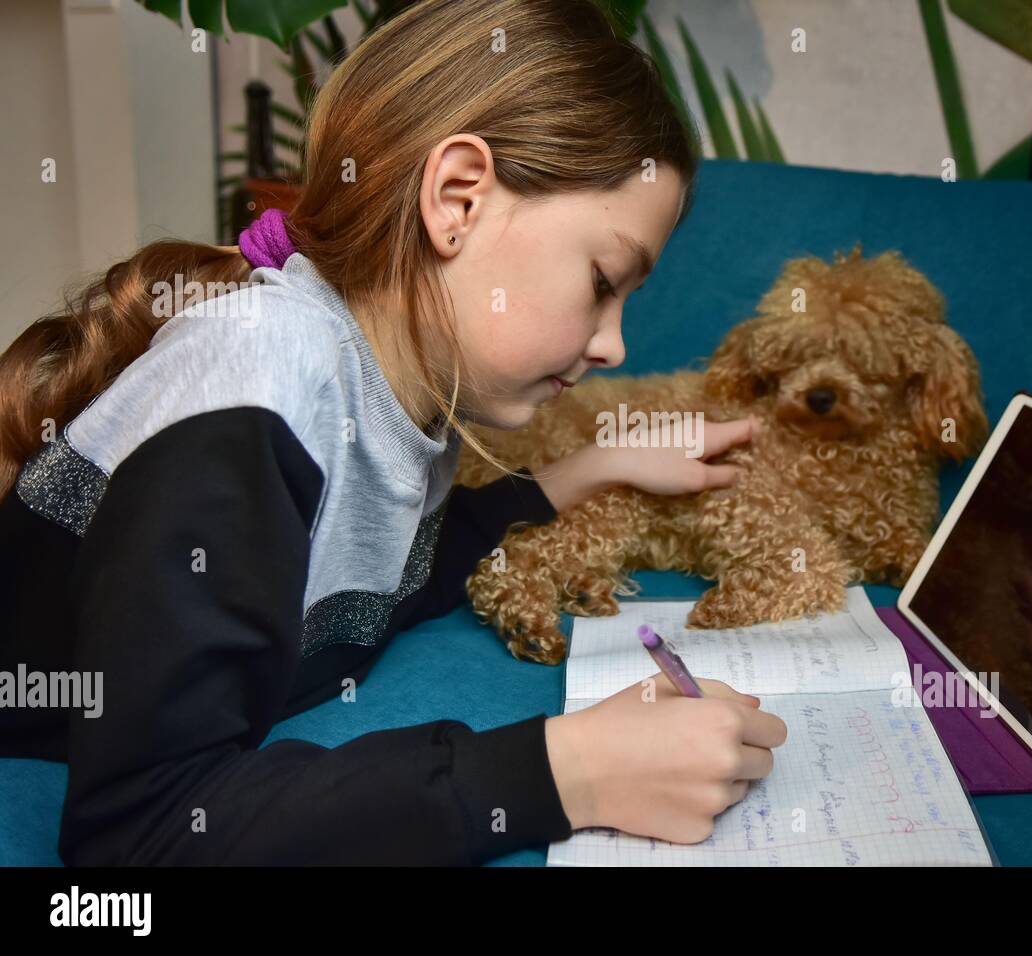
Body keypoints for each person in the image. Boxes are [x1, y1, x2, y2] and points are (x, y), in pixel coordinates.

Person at [0, 0, 786, 865]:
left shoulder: (400, 385)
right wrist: (565, 774)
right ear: (458, 199)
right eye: (604, 280)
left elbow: (377, 587)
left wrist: (594, 466)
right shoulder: (252, 395)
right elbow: (139, 831)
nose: (614, 344)